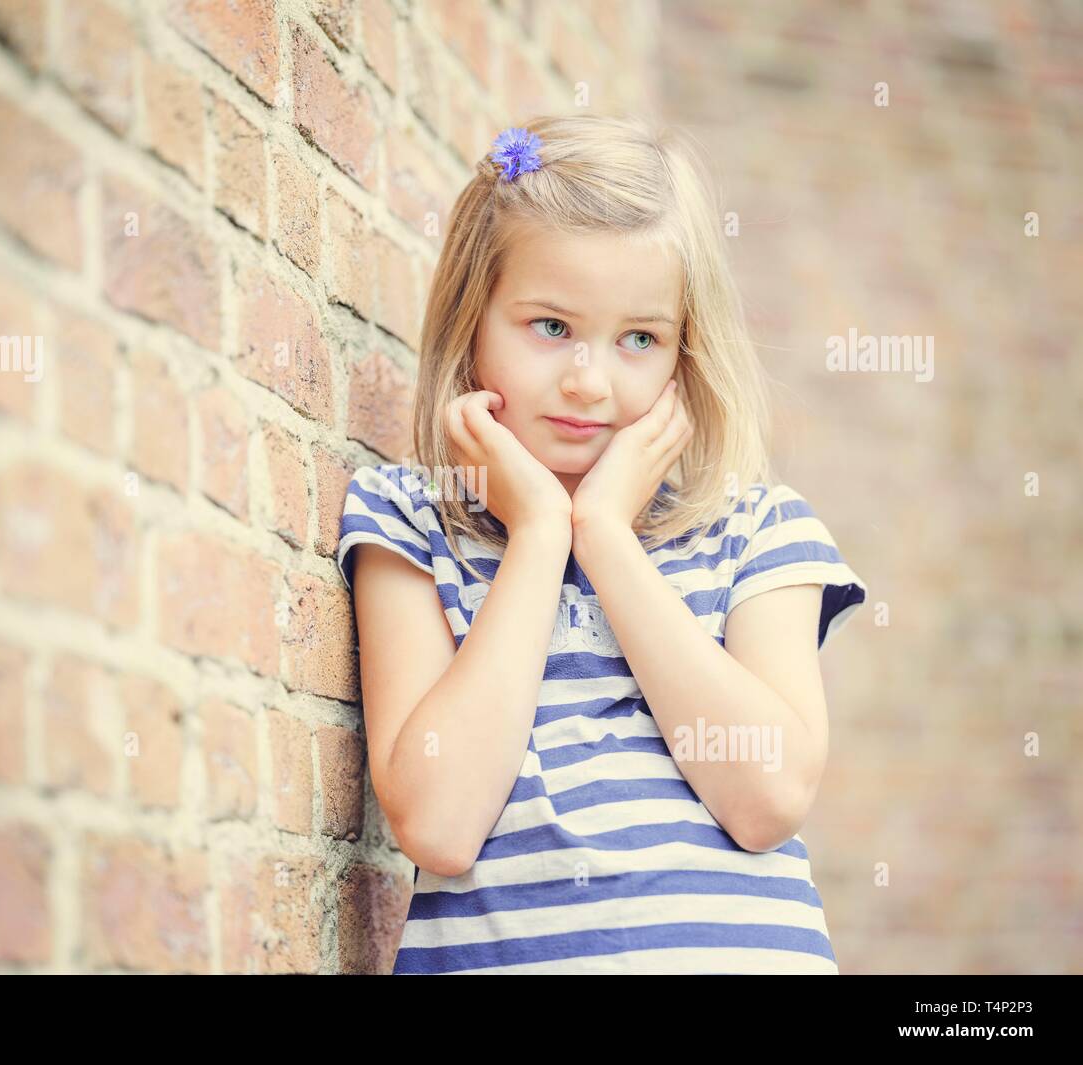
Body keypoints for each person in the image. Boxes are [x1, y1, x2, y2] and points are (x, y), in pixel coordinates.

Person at [336, 115, 868, 974]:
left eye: (639, 339)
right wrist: (541, 535)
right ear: (472, 321)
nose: (589, 380)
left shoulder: (756, 528)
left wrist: (606, 536)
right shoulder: (407, 521)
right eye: (550, 327)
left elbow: (766, 796)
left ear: (684, 354)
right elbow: (438, 823)